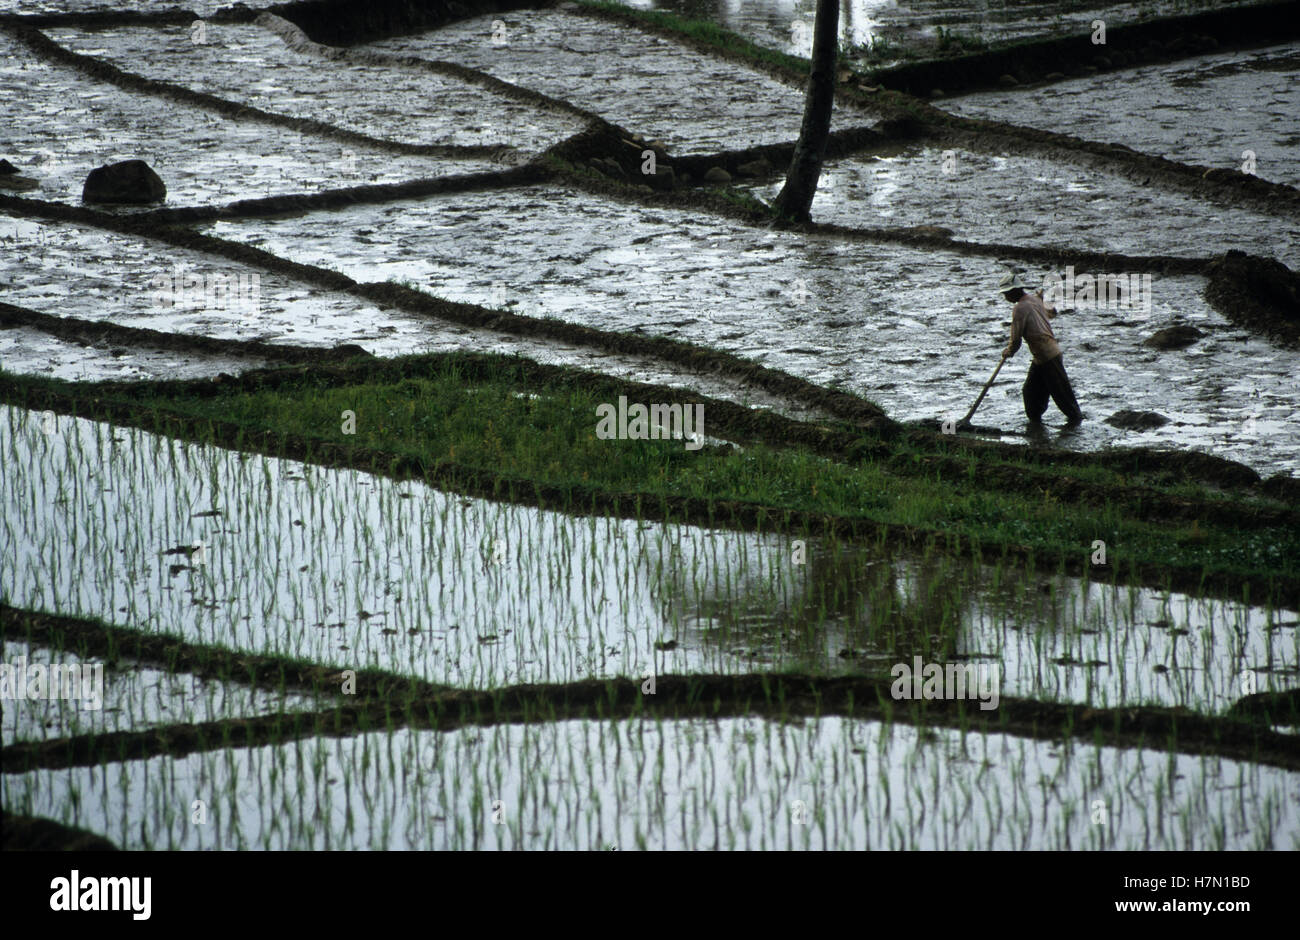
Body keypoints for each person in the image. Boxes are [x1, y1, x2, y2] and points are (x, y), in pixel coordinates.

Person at [999, 272, 1084, 424]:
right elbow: (1052, 313)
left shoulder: (1020, 308)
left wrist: (1009, 351)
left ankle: (1076, 422)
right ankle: (1035, 424)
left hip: (1047, 355)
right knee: (1030, 392)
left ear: (1014, 291)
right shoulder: (1034, 299)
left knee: (1062, 394)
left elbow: (1016, 338)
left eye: (1006, 294)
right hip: (1042, 355)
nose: (1006, 297)